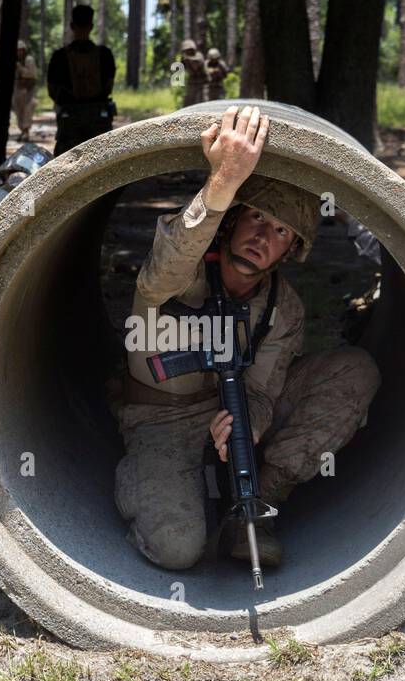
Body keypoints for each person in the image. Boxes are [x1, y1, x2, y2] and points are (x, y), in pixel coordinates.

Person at [114, 105, 381, 571]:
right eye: (256, 217)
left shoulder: (283, 306)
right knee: (177, 548)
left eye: (281, 232)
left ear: (291, 250)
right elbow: (157, 281)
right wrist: (223, 182)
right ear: (233, 219)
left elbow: (262, 389)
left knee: (353, 370)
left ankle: (256, 511)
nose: (263, 236)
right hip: (162, 420)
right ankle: (147, 480)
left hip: (230, 410)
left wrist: (249, 424)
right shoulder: (186, 267)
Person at [47, 4, 117, 155]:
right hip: (99, 119)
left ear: (72, 26)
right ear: (91, 26)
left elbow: (52, 90)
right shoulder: (105, 55)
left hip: (69, 120)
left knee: (67, 166)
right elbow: (108, 86)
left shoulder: (59, 57)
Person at [13, 39, 38, 142]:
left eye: (21, 50)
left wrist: (20, 68)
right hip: (18, 89)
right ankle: (22, 131)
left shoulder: (29, 60)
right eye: (17, 50)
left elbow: (31, 74)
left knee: (27, 111)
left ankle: (26, 133)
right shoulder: (16, 61)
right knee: (19, 111)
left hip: (28, 90)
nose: (19, 52)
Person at [180, 39, 207, 108]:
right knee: (189, 101)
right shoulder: (185, 58)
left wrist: (189, 59)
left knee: (202, 101)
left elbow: (199, 62)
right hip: (192, 81)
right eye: (186, 50)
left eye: (189, 49)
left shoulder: (199, 55)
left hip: (202, 81)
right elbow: (181, 67)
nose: (188, 51)